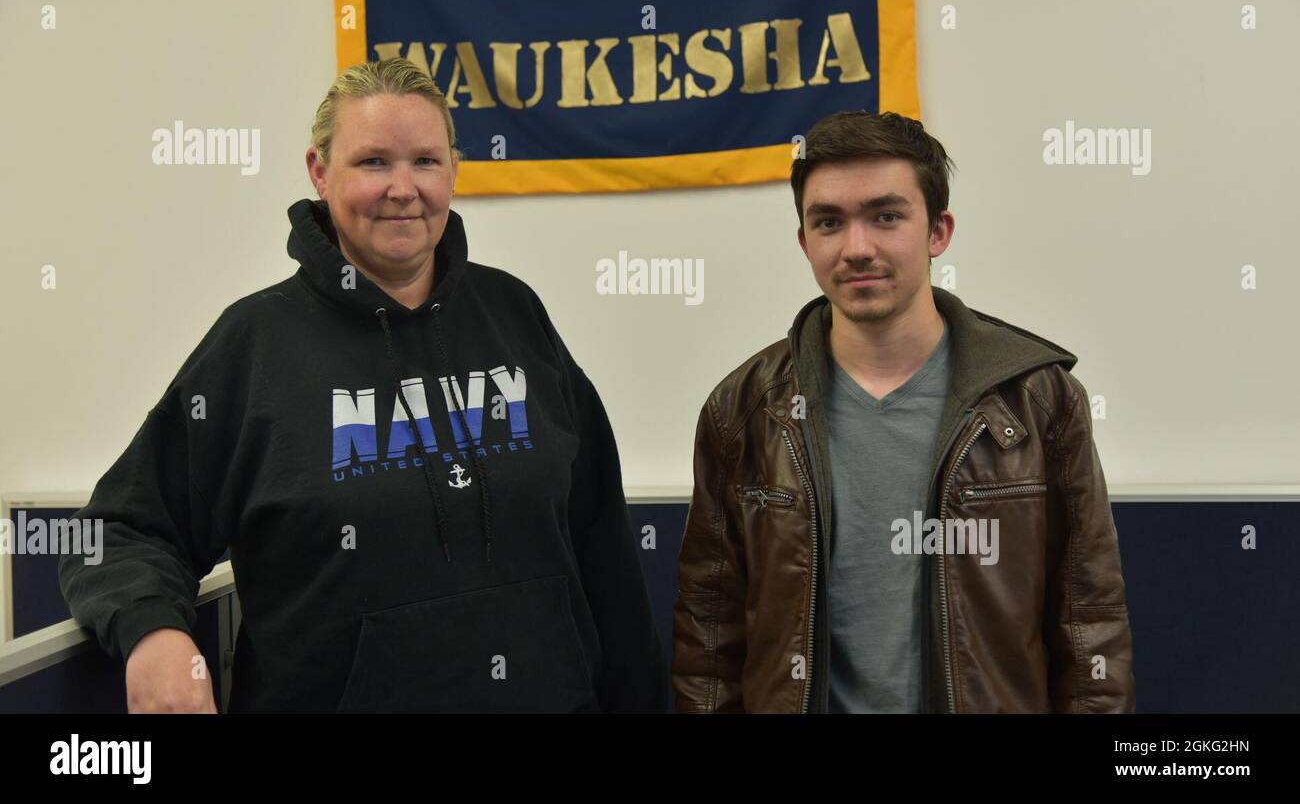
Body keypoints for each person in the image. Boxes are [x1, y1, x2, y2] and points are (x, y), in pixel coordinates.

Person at [59, 57, 665, 713]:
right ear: (320, 173)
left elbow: (603, 551)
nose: (403, 188)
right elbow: (119, 532)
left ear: (454, 170)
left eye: (425, 161)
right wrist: (157, 635)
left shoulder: (516, 316)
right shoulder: (255, 344)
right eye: (373, 162)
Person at [673, 110, 1135, 713]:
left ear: (938, 231)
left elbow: (1089, 621)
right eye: (829, 222)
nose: (857, 248)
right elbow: (710, 637)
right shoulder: (744, 409)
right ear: (804, 241)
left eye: (886, 216)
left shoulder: (1039, 400)